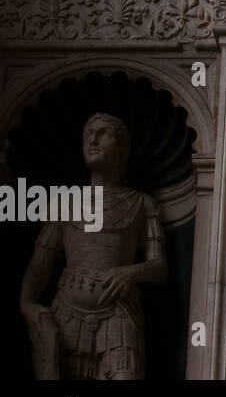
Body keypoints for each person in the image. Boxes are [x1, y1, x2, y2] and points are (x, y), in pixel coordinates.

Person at [18, 113, 166, 379]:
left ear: (122, 146)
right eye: (88, 134)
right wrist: (26, 303)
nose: (92, 140)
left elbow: (159, 267)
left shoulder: (142, 204)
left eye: (101, 133)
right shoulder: (64, 202)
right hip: (66, 313)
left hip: (119, 315)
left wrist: (132, 272)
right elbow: (41, 264)